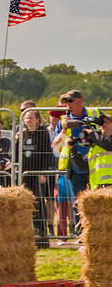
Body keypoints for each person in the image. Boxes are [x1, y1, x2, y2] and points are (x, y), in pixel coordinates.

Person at [54, 89, 95, 233]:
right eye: (65, 102)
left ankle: (98, 233)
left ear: (80, 100)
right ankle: (81, 235)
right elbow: (55, 147)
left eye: (70, 101)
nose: (68, 105)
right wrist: (64, 130)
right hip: (75, 169)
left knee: (98, 204)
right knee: (78, 203)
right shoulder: (63, 121)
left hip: (96, 168)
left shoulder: (94, 114)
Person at [18, 108, 55, 246]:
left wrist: (43, 172)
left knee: (39, 203)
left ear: (38, 119)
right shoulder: (21, 134)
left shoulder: (43, 133)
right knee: (26, 203)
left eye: (31, 118)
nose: (29, 120)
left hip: (37, 173)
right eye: (26, 118)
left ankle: (42, 236)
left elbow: (47, 153)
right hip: (24, 174)